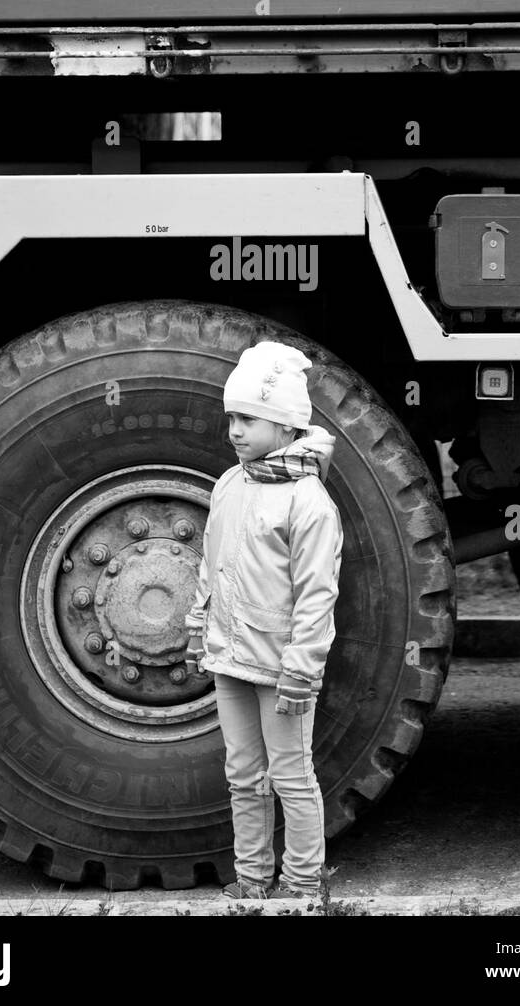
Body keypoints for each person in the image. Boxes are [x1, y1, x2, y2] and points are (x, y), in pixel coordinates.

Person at [184, 340, 343, 900]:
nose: (234, 430)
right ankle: (252, 878)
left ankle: (302, 884)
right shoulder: (230, 484)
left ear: (285, 424)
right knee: (243, 776)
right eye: (231, 417)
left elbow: (317, 595)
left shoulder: (309, 502)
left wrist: (303, 666)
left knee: (292, 777)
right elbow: (212, 563)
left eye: (248, 418)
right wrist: (198, 627)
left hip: (282, 670)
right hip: (230, 659)